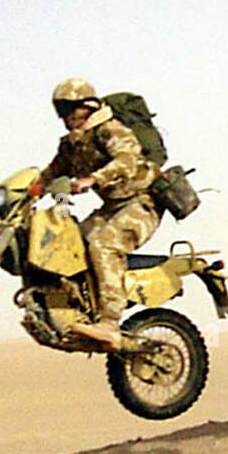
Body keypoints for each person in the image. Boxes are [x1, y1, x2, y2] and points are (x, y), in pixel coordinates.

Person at [36, 78, 161, 348]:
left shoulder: (109, 130)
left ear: (87, 106)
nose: (66, 117)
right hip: (112, 207)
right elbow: (50, 173)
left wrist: (94, 179)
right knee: (69, 243)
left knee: (104, 246)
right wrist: (28, 191)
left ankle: (109, 323)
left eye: (69, 108)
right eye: (61, 110)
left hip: (142, 202)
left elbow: (127, 160)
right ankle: (76, 309)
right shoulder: (72, 145)